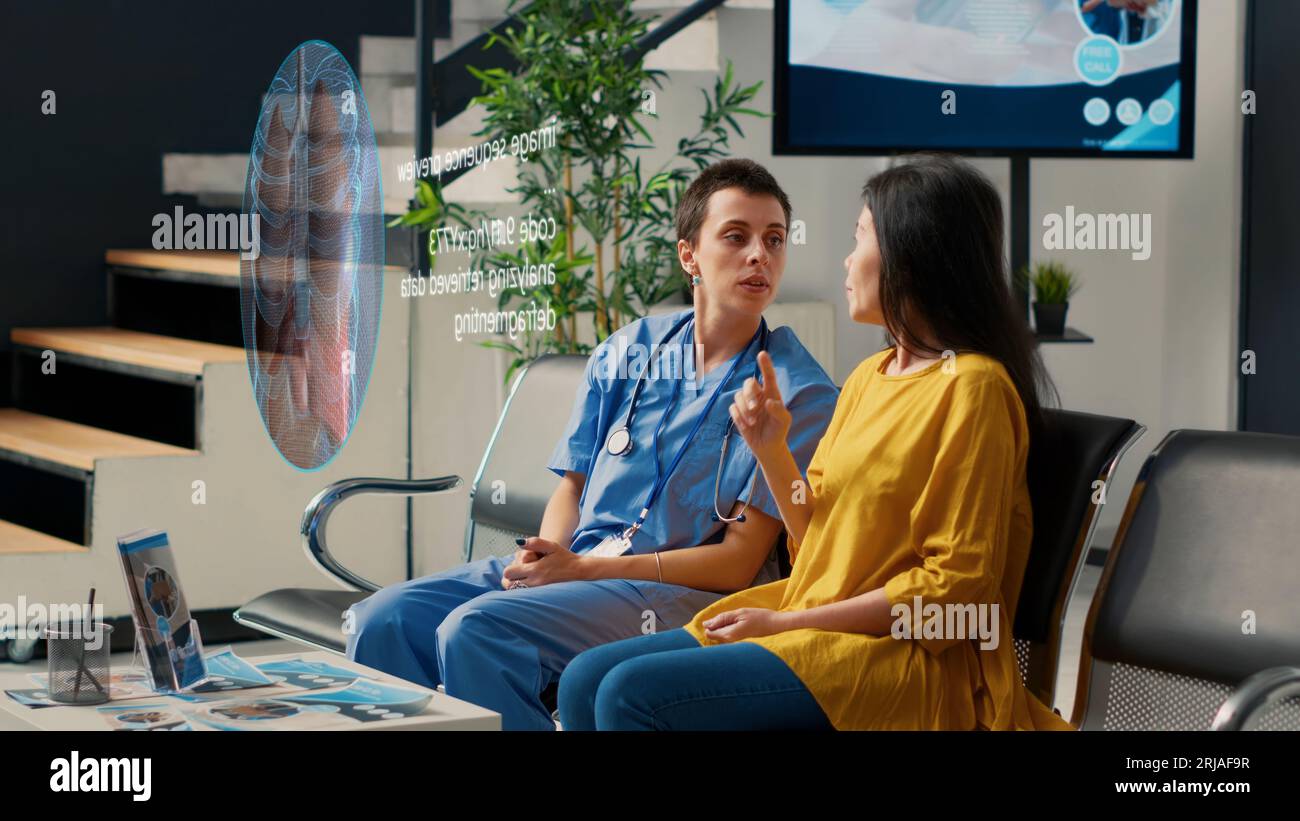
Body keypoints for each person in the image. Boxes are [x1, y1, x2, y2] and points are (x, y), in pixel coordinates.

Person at [558, 154, 1075, 731]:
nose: (847, 262)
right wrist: (770, 448)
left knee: (631, 694)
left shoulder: (973, 388)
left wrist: (786, 627)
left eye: (860, 240)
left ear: (914, 253)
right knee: (584, 680)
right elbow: (816, 539)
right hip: (813, 616)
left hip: (903, 659)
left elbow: (955, 592)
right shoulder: (868, 376)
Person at [345, 158, 839, 730]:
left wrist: (578, 572)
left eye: (774, 240)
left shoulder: (796, 390)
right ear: (689, 256)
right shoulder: (630, 349)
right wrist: (544, 559)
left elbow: (737, 565)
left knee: (479, 630)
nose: (760, 256)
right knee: (382, 619)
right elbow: (572, 485)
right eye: (737, 236)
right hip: (579, 562)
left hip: (675, 589)